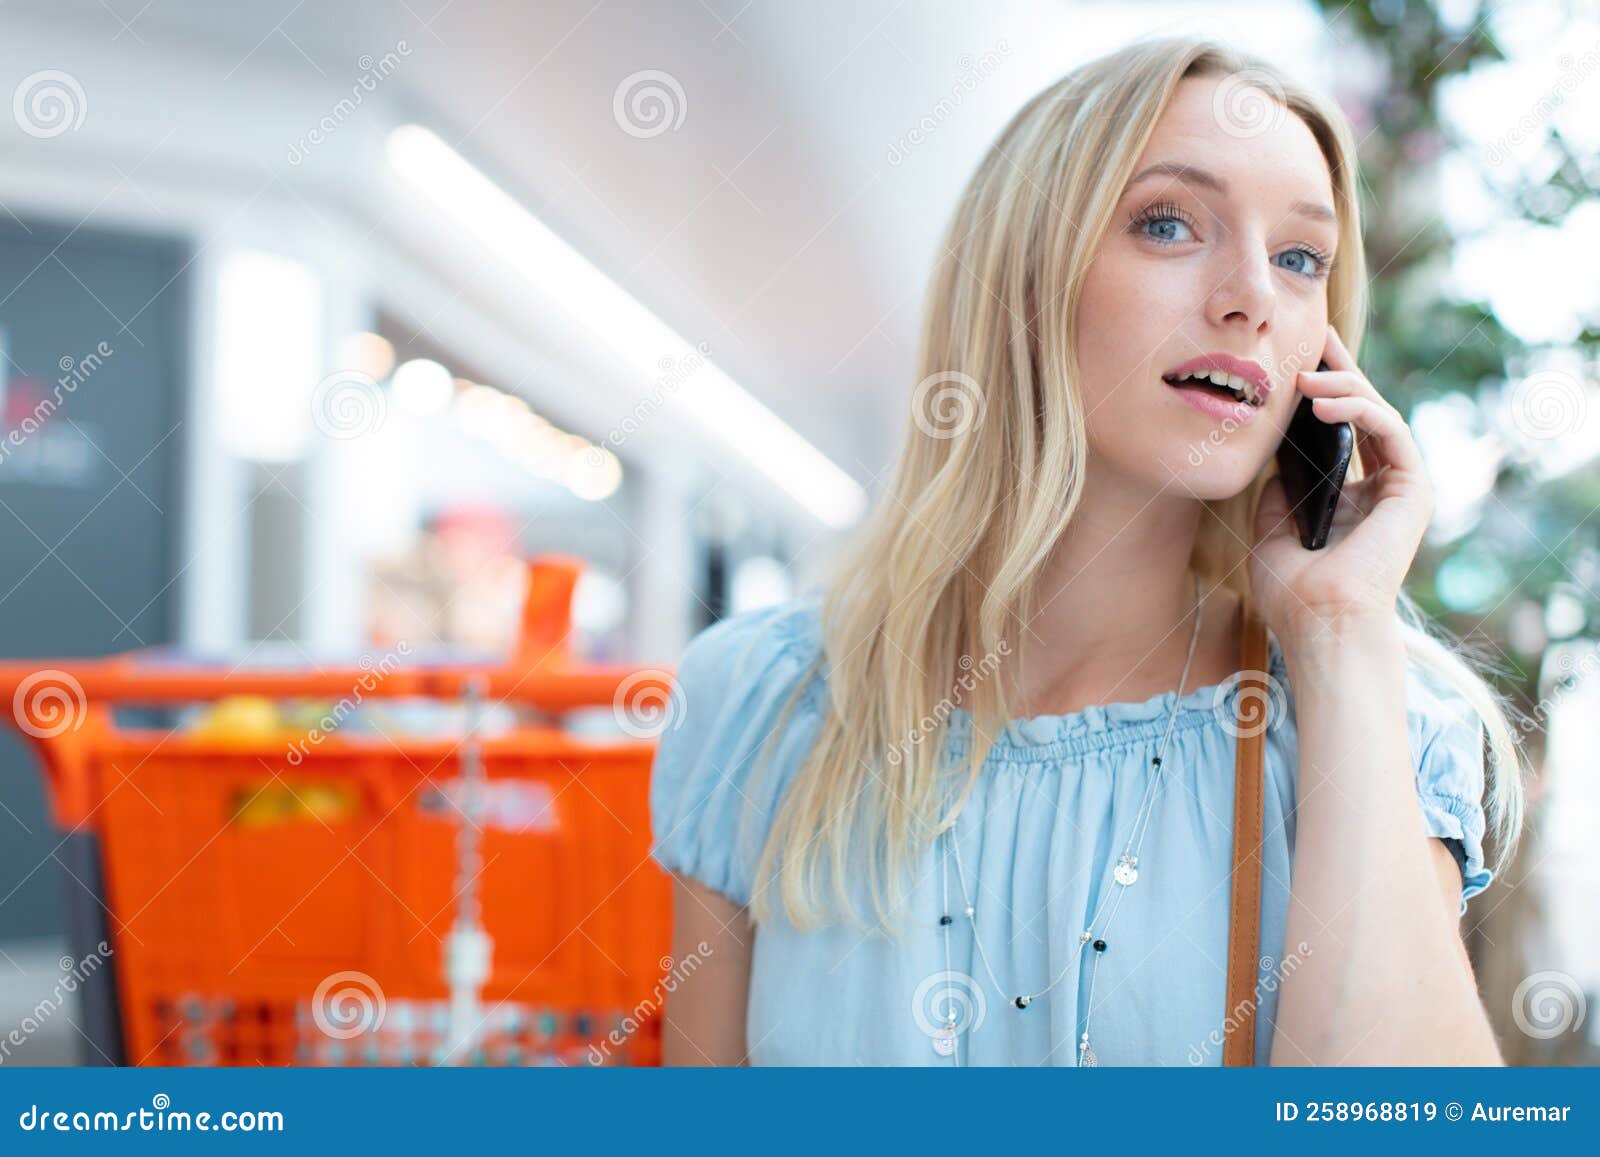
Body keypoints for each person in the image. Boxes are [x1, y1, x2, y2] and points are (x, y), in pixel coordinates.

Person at [648, 34, 1527, 1067]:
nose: (1254, 294)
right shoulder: (765, 705)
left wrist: (1337, 632)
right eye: (1168, 223)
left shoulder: (1365, 721)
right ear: (1024, 284)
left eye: (1301, 258)